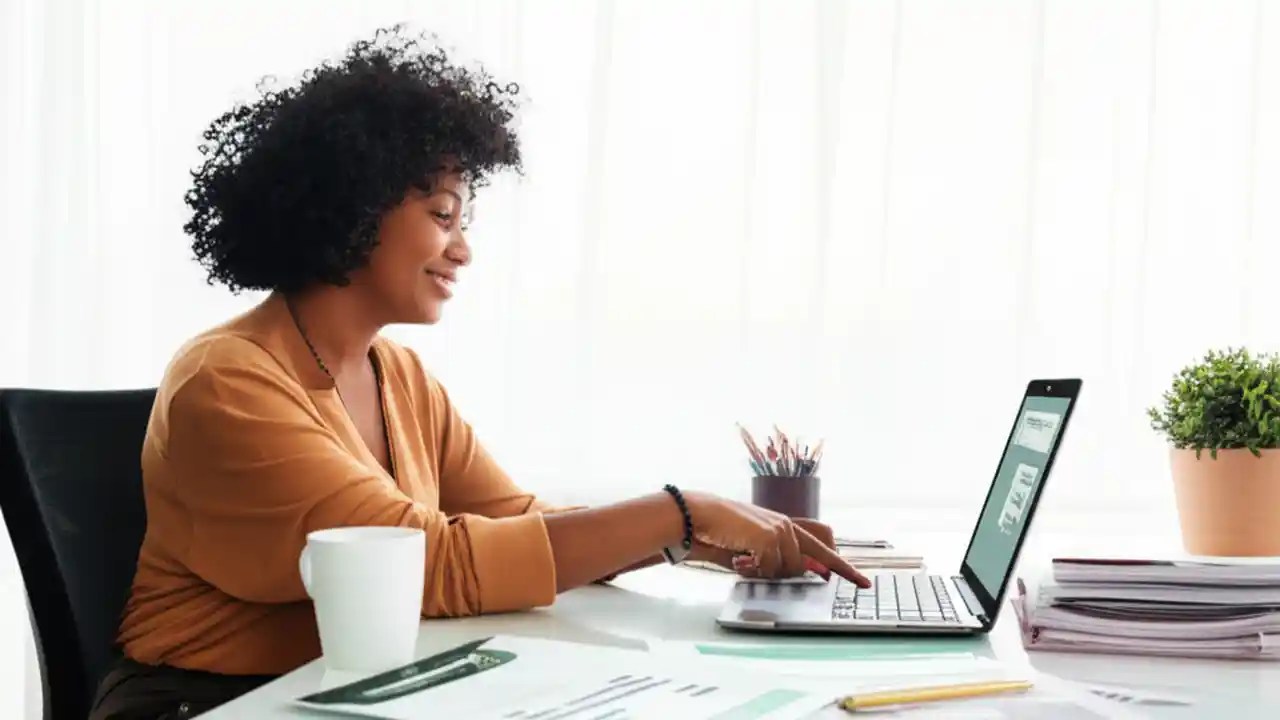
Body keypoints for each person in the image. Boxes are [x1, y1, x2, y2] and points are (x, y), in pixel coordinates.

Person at [89, 25, 869, 719]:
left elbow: (513, 520)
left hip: (343, 690)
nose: (462, 249)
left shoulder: (398, 376)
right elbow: (434, 562)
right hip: (207, 700)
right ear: (353, 207)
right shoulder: (228, 384)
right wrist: (682, 511)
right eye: (442, 216)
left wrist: (709, 541)